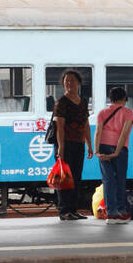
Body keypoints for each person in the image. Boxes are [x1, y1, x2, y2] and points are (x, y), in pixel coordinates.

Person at [53, 70, 92, 220]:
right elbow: (60, 127)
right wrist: (61, 148)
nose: (69, 83)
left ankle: (73, 209)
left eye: (72, 80)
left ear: (78, 83)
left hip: (78, 143)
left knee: (76, 177)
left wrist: (89, 144)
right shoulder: (61, 102)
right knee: (64, 178)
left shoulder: (82, 101)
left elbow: (86, 124)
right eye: (66, 81)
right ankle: (64, 211)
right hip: (66, 144)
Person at [94, 86, 133, 224]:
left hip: (103, 146)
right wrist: (117, 152)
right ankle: (121, 211)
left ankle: (111, 214)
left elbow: (98, 132)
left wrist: (97, 151)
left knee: (108, 180)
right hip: (120, 148)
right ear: (124, 99)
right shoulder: (128, 113)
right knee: (120, 180)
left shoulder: (102, 113)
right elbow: (124, 133)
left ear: (110, 99)